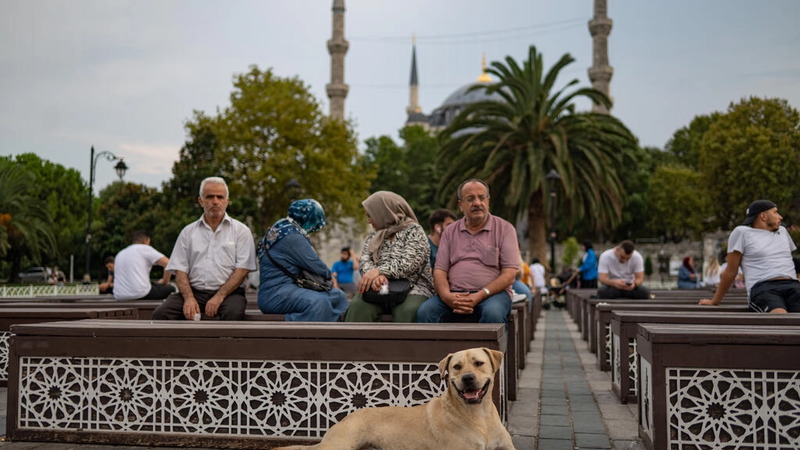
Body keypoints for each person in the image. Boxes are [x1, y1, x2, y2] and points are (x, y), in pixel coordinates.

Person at [152, 177, 256, 321]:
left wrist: (219, 296)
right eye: (209, 197)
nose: (215, 201)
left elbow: (242, 269)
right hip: (194, 292)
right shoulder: (188, 232)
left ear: (227, 201)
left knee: (233, 315)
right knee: (161, 314)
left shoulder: (241, 231)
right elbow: (180, 270)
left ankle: (222, 344)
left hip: (229, 294)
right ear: (201, 201)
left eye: (220, 197)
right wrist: (189, 298)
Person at [416, 179, 519, 324]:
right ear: (461, 205)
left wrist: (480, 295)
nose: (477, 203)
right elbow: (439, 271)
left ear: (488, 201)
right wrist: (447, 297)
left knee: (493, 313)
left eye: (481, 198)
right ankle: (435, 348)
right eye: (470, 199)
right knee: (425, 312)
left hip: (492, 295)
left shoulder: (505, 229)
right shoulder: (450, 232)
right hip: (454, 294)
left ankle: (489, 348)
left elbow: (509, 275)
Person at [345, 191, 434, 322]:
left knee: (407, 311)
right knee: (358, 307)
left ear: (385, 212)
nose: (369, 221)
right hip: (378, 287)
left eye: (371, 215)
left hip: (413, 287)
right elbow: (365, 259)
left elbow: (409, 263)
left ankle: (401, 344)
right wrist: (375, 277)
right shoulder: (374, 235)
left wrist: (380, 271)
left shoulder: (414, 231)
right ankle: (352, 343)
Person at [700, 200, 800, 313]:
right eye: (775, 212)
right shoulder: (742, 233)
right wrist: (715, 301)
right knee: (780, 317)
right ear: (763, 216)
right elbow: (731, 271)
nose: (780, 217)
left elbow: (789, 261)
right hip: (763, 287)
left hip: (793, 285)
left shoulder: (782, 232)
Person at [258, 199, 348, 322]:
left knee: (340, 297)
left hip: (291, 289)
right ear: (307, 218)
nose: (313, 228)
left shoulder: (282, 227)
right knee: (319, 303)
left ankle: (335, 332)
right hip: (274, 294)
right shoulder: (291, 236)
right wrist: (330, 276)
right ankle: (300, 336)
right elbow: (315, 264)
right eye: (314, 222)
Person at [113, 230, 174, 300]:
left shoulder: (120, 253)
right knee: (171, 288)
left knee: (154, 285)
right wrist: (164, 281)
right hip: (140, 294)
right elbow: (168, 263)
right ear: (146, 241)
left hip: (119, 296)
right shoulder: (144, 248)